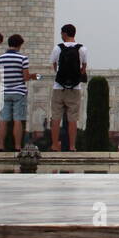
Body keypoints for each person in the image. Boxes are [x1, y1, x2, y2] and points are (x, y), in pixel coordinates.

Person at [49, 24, 88, 152]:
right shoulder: (82, 49)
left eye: (61, 33)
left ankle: (55, 145)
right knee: (72, 118)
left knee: (55, 117)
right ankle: (72, 146)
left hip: (58, 87)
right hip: (75, 88)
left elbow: (54, 66)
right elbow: (83, 68)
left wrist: (60, 75)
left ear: (65, 34)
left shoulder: (57, 48)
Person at [0, 34, 33, 151]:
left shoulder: (0, 59)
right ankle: (17, 146)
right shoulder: (23, 58)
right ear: (20, 45)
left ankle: (0, 145)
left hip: (4, 92)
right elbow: (26, 77)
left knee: (3, 120)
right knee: (17, 120)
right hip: (18, 92)